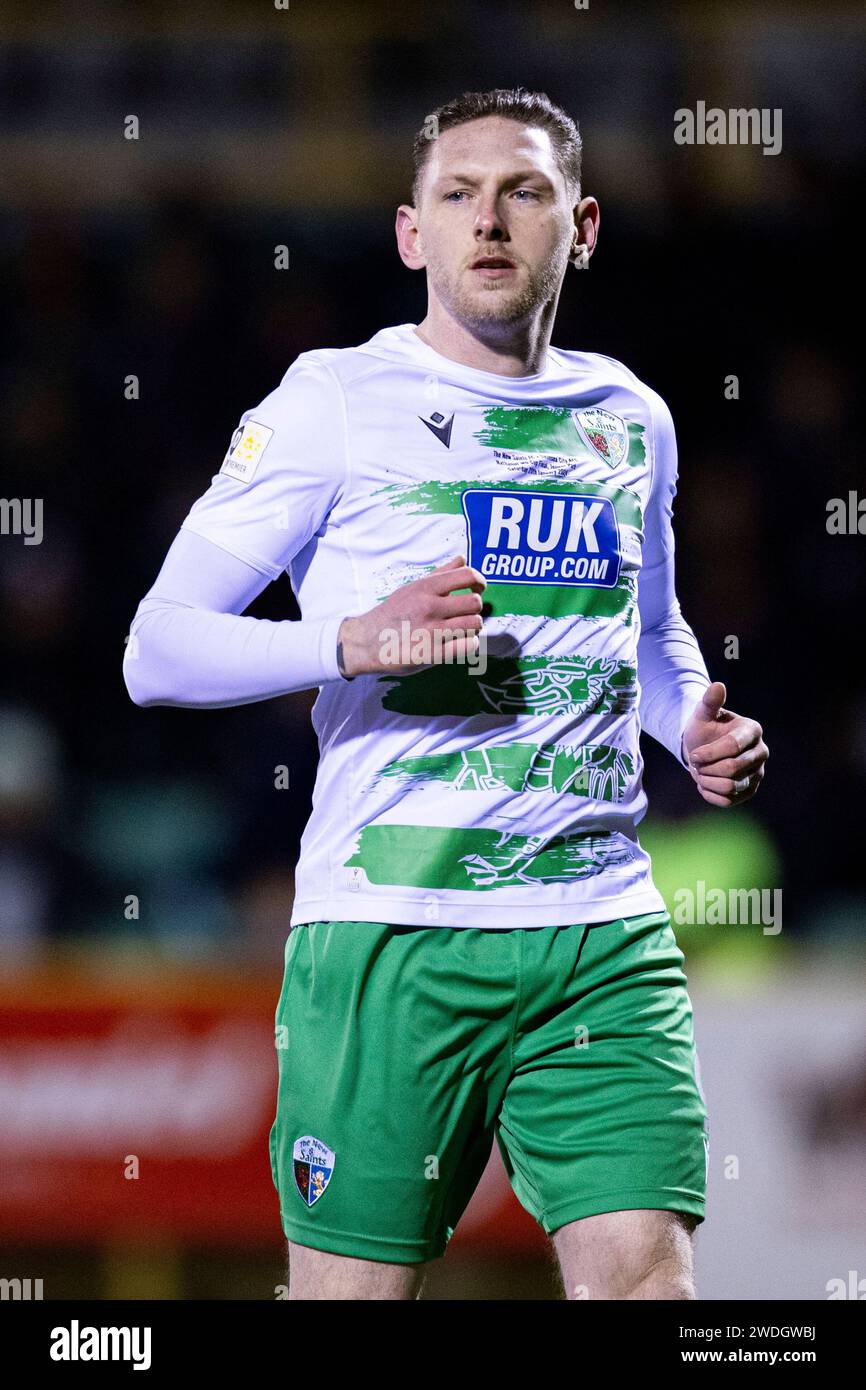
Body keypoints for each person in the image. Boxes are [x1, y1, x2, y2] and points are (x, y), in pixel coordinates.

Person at [123, 87, 768, 1301]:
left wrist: (687, 722)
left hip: (598, 929)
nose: (488, 220)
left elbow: (646, 631)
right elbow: (156, 651)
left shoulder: (628, 416)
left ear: (577, 227)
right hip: (388, 927)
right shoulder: (331, 402)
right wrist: (353, 640)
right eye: (456, 194)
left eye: (521, 192)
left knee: (643, 1281)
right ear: (411, 233)